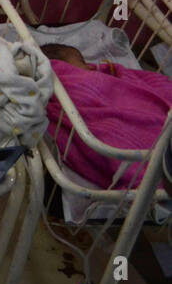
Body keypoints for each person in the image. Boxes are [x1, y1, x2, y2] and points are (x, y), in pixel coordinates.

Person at [41, 43, 172, 189]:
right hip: (124, 135)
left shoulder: (101, 76)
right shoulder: (63, 78)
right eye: (82, 62)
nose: (90, 66)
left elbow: (136, 85)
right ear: (61, 65)